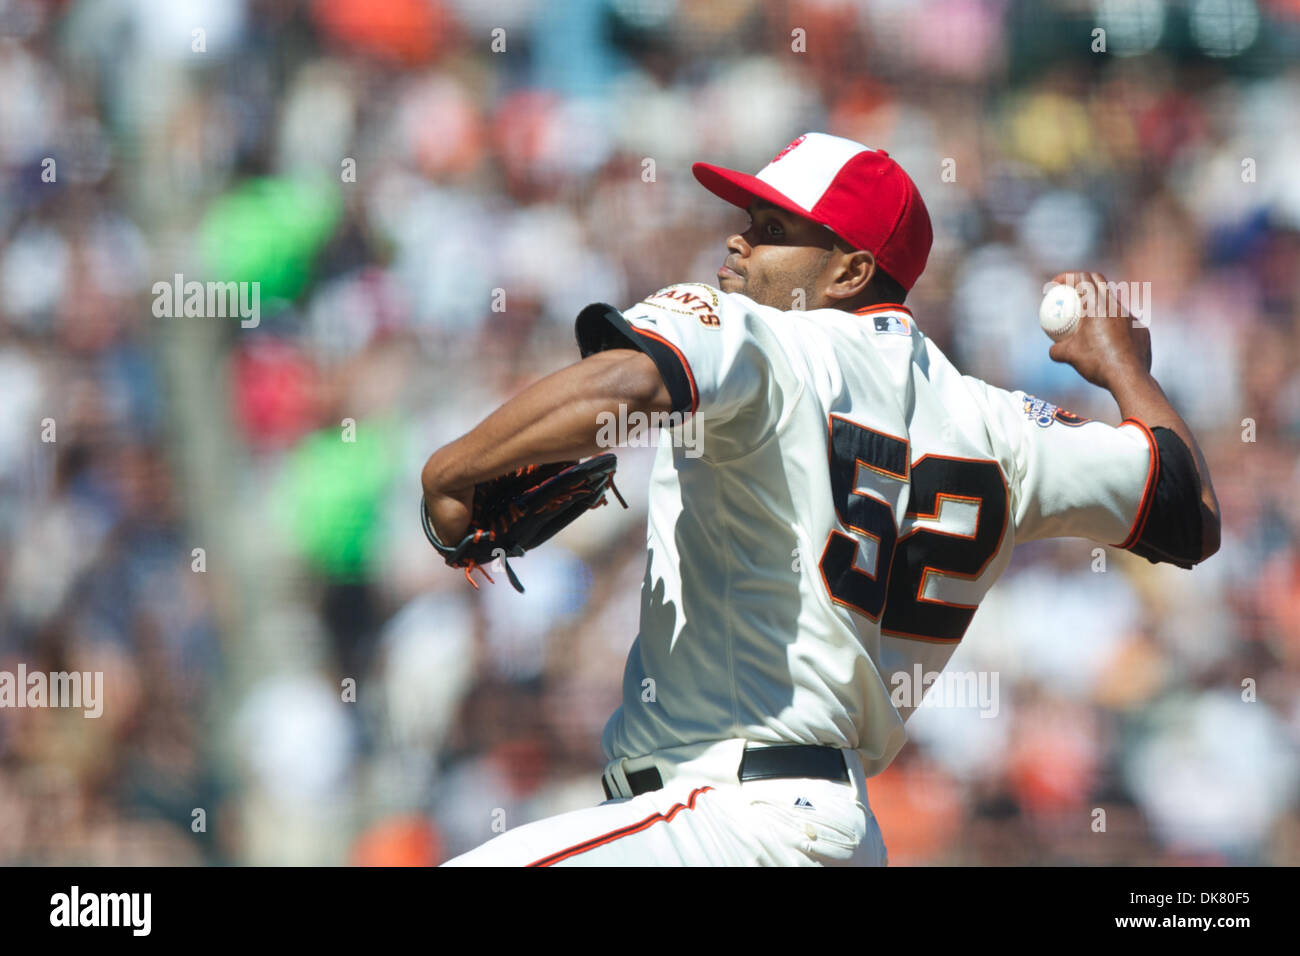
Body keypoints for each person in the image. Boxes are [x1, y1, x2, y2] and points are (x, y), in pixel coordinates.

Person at [421, 132, 1220, 866]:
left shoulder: (768, 337)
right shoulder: (1000, 426)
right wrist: (1126, 370)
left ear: (849, 271)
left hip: (731, 815)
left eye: (772, 228)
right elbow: (1188, 513)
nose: (739, 240)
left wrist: (449, 475)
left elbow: (631, 379)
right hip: (830, 830)